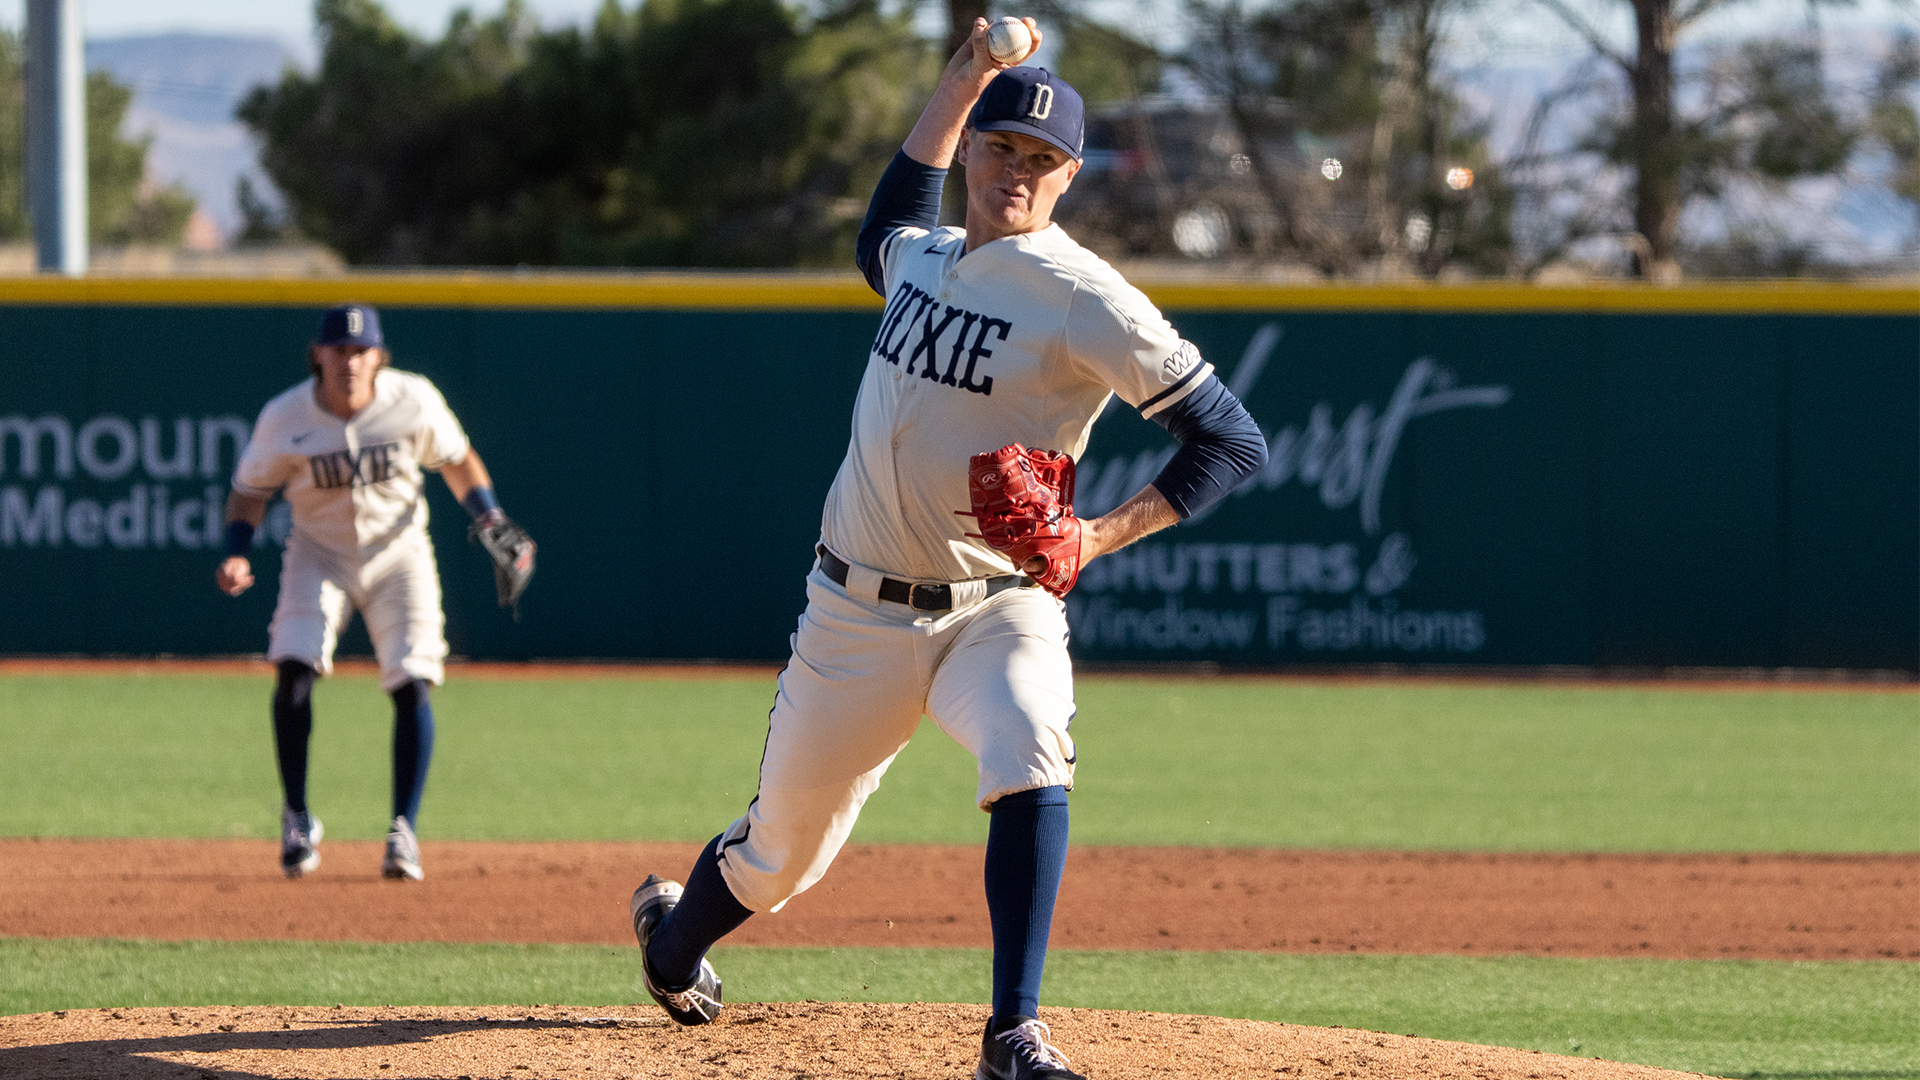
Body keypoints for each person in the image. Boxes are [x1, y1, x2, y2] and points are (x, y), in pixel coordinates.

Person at [627, 21, 1267, 1080]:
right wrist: (966, 75)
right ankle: (671, 944)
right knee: (780, 856)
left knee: (1030, 749)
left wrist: (1097, 536)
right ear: (974, 151)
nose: (1021, 172)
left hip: (998, 603)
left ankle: (1012, 1032)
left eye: (1045, 162)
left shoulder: (1085, 297)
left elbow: (1230, 439)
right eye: (1005, 148)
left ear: (1068, 180)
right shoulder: (922, 258)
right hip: (854, 614)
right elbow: (884, 219)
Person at [216, 303, 524, 882]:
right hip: (319, 553)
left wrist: (491, 519)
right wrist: (236, 548)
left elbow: (456, 461)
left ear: (379, 357)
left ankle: (402, 830)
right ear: (318, 355)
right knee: (293, 670)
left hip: (399, 552)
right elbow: (249, 490)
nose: (350, 362)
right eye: (339, 350)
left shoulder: (413, 400)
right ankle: (298, 817)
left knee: (411, 681)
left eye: (362, 351)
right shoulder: (286, 416)